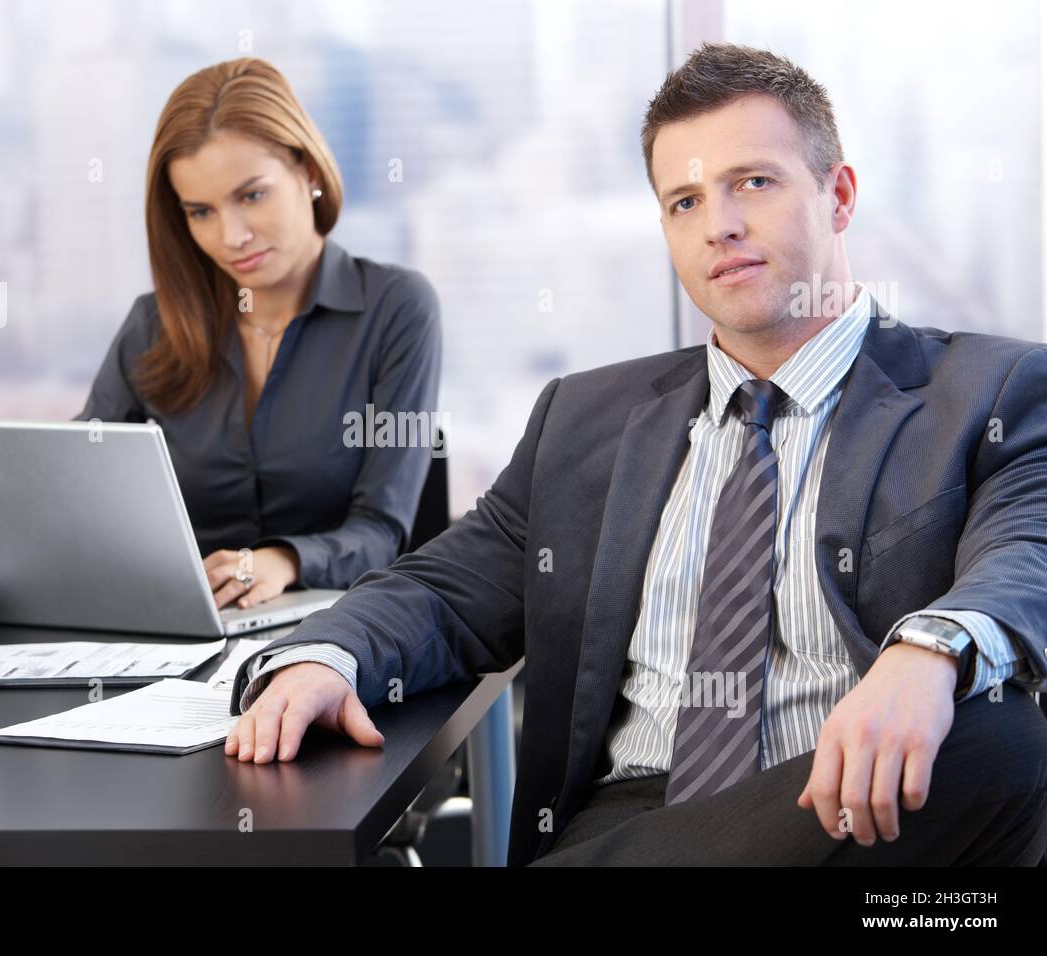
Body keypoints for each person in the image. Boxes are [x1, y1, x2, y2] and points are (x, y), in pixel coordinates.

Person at [224, 42, 1047, 866]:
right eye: (684, 201)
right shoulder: (584, 420)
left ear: (838, 195)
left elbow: (1027, 552)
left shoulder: (987, 392)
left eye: (752, 182)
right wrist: (322, 658)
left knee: (1003, 746)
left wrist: (928, 652)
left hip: (854, 815)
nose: (719, 223)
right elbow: (443, 591)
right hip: (633, 819)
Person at [77, 58, 441, 613]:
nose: (232, 237)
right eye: (200, 211)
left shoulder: (396, 308)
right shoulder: (152, 325)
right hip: (186, 632)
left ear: (309, 173)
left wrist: (282, 561)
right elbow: (78, 487)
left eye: (251, 195)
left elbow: (382, 530)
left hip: (342, 625)